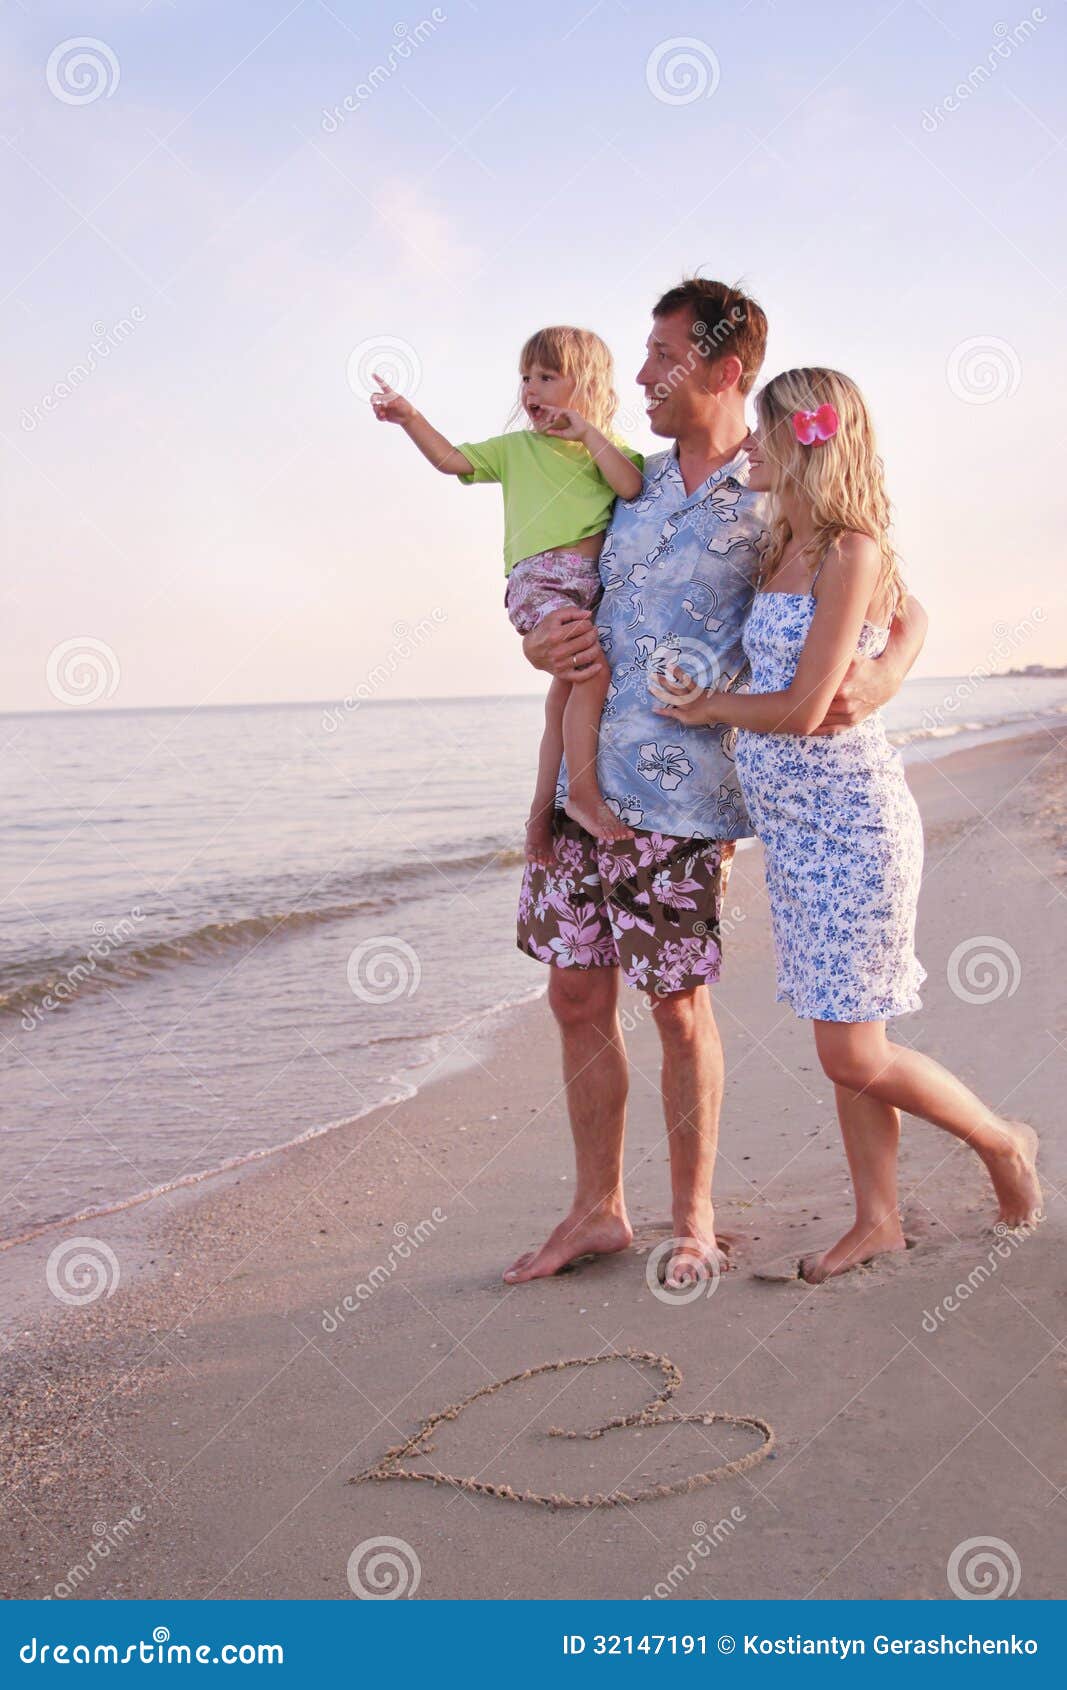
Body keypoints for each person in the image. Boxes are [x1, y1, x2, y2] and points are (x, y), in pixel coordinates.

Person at [509, 279, 929, 1288]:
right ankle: (596, 1209)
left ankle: (691, 1218)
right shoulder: (624, 481)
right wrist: (536, 645)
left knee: (673, 1008)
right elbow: (566, 606)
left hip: (688, 799)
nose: (641, 375)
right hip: (580, 781)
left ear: (721, 369)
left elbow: (903, 599)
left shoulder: (780, 484)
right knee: (572, 994)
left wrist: (878, 675)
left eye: (661, 357)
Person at [651, 367, 1042, 1282]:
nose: (746, 444)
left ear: (802, 440)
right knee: (845, 1034)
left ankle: (1000, 1142)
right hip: (792, 836)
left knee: (850, 1044)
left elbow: (800, 708)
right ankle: (878, 1220)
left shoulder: (848, 551)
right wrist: (894, 662)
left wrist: (709, 708)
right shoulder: (784, 540)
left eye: (761, 432)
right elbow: (910, 621)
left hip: (850, 827)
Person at [370, 325, 643, 860]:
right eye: (525, 377)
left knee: (563, 699)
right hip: (539, 581)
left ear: (586, 385)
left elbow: (630, 485)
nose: (530, 389)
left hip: (586, 591)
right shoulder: (517, 448)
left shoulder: (605, 449)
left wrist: (589, 434)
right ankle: (583, 796)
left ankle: (540, 815)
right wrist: (410, 418)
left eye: (546, 376)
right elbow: (452, 461)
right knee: (593, 673)